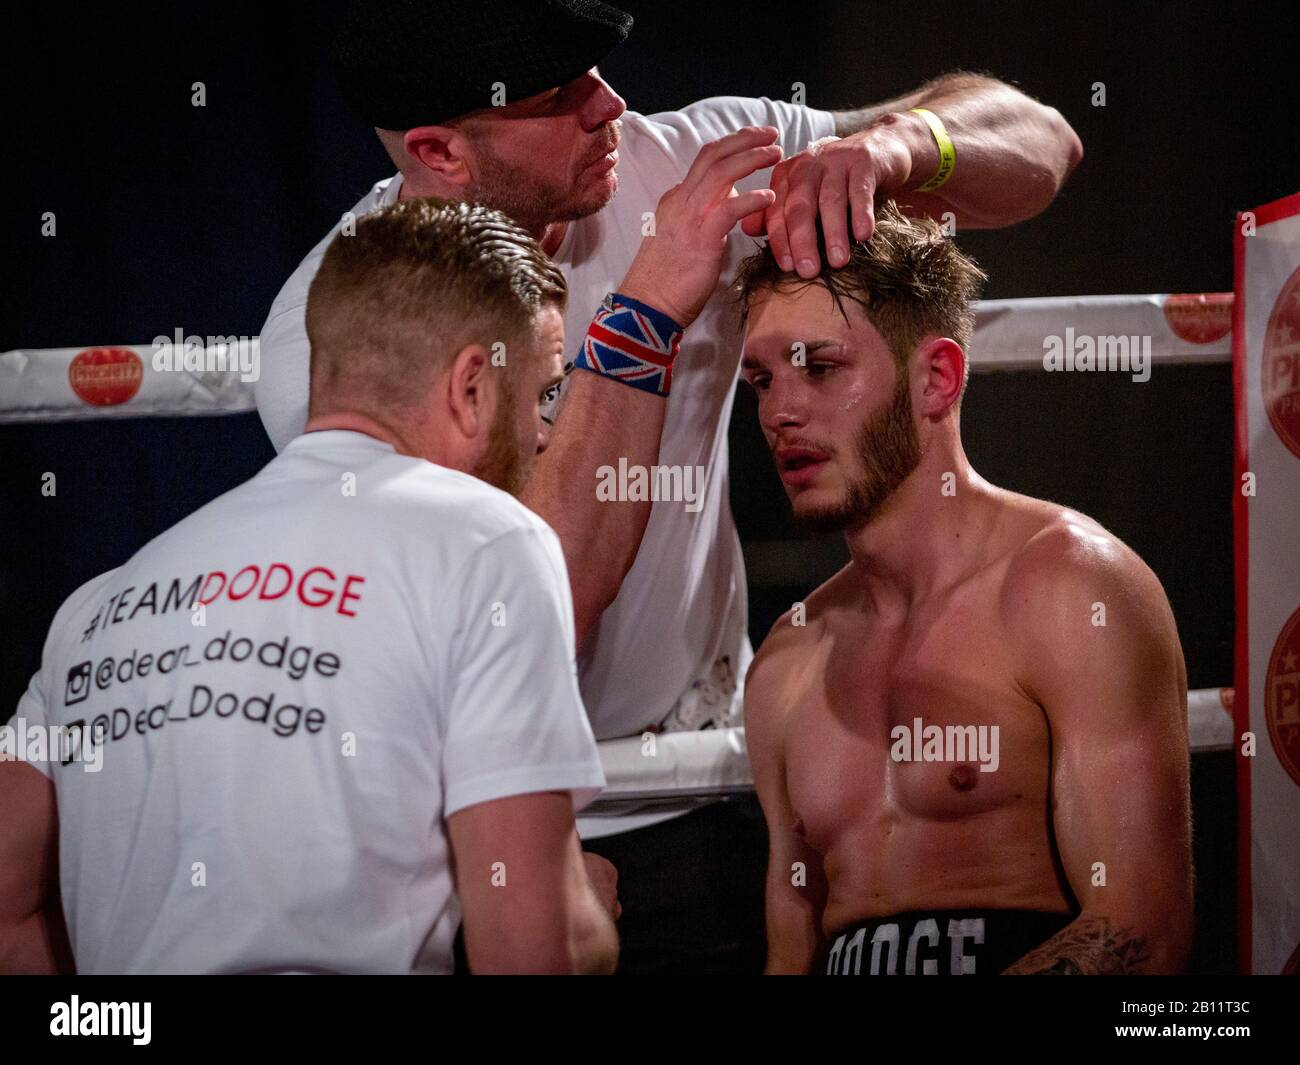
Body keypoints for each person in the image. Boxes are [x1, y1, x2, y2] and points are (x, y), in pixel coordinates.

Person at [255, 0, 1083, 973]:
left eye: (598, 69)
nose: (608, 104)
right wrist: (647, 308)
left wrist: (892, 152)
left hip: (708, 791)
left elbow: (1039, 143)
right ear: (441, 150)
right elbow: (538, 603)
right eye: (559, 94)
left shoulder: (673, 167)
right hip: (488, 829)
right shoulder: (335, 338)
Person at [0, 167, 768, 973]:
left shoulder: (99, 604)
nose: (543, 437)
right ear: (472, 387)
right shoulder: (490, 544)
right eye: (543, 394)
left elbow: (13, 912)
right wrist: (580, 905)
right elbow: (531, 947)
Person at [737, 203, 1194, 975]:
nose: (780, 411)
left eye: (819, 366)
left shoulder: (1071, 588)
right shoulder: (786, 661)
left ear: (936, 378)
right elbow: (793, 956)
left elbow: (1143, 927)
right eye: (761, 378)